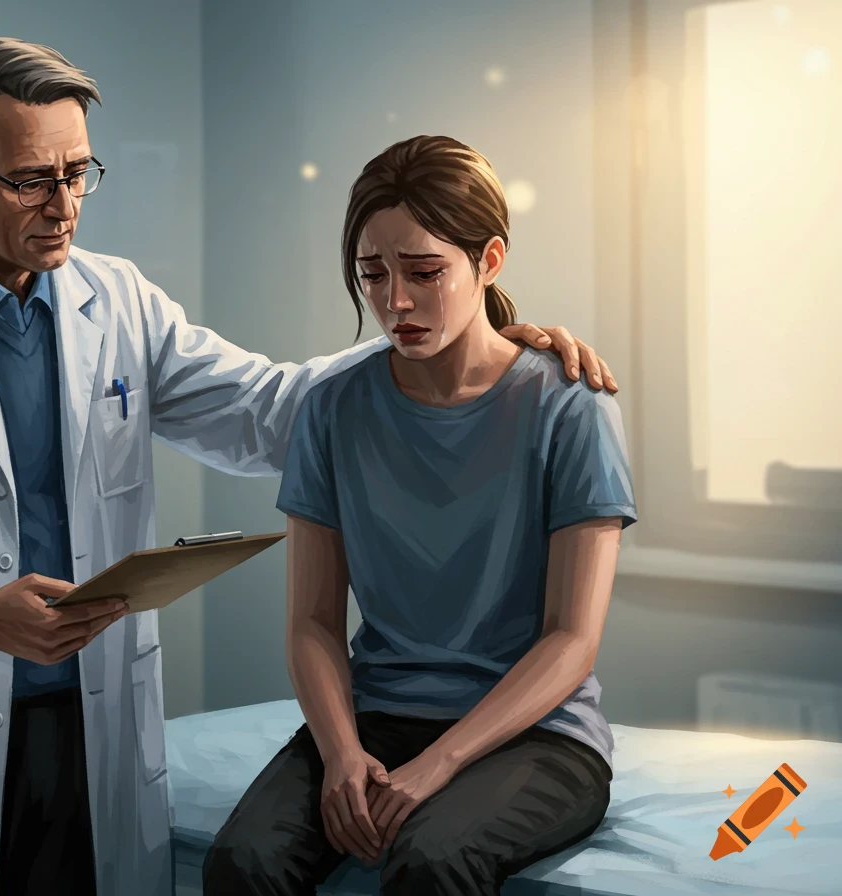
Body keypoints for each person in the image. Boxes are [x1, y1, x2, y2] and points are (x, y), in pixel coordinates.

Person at [0, 38, 618, 896]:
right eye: (32, 180)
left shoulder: (117, 301)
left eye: (80, 172)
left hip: (89, 714)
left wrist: (484, 349)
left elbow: (266, 410)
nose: (64, 205)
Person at [202, 135, 636, 896]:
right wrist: (340, 753)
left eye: (425, 271)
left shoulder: (571, 407)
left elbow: (572, 640)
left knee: (433, 862)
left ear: (489, 260)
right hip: (376, 717)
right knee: (244, 864)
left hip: (536, 735)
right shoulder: (333, 411)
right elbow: (311, 621)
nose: (394, 301)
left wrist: (438, 765)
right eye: (372, 274)